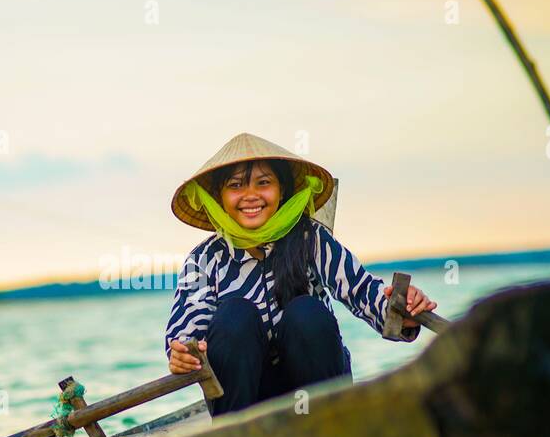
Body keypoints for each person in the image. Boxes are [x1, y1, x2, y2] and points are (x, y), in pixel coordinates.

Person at [165, 132, 436, 416]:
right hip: (247, 400)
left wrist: (399, 309)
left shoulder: (310, 238)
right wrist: (184, 353)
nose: (250, 196)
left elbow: (362, 290)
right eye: (235, 186)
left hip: (316, 391)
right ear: (219, 197)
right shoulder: (205, 259)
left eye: (264, 182)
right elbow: (187, 328)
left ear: (282, 190)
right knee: (234, 315)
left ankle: (327, 427)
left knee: (306, 311)